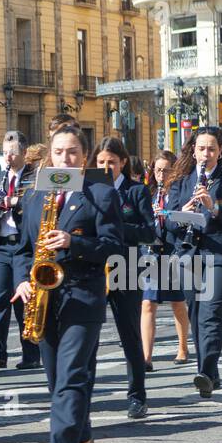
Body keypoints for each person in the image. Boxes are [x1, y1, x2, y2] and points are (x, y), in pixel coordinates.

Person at [11, 125, 125, 443]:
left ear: (84, 156)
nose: (65, 158)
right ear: (50, 156)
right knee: (56, 378)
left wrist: (72, 244)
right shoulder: (34, 196)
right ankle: (82, 432)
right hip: (44, 297)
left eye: (73, 152)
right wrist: (21, 281)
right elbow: (20, 249)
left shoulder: (101, 195)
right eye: (59, 152)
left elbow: (114, 247)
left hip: (83, 294)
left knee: (72, 374)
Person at [163, 125, 222, 398]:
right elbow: (169, 223)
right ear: (193, 150)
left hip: (220, 256)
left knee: (211, 314)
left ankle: (205, 371)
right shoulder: (181, 180)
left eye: (212, 148)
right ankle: (211, 372)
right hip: (190, 256)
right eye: (201, 148)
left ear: (220, 151)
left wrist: (214, 208)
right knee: (196, 316)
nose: (206, 153)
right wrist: (180, 213)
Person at [92, 136, 151, 420]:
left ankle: (137, 396)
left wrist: (116, 229)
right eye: (101, 162)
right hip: (94, 266)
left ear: (123, 163)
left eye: (112, 162)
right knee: (88, 334)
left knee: (129, 333)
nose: (106, 167)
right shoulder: (88, 190)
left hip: (125, 266)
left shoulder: (136, 191)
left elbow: (150, 232)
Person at [0, 132, 41, 371]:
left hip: (22, 244)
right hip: (0, 242)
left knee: (23, 299)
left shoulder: (34, 176)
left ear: (24, 153)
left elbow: (36, 202)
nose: (8, 156)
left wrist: (14, 202)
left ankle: (31, 354)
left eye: (13, 152)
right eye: (5, 152)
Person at [140, 150, 190, 369]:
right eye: (157, 170)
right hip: (151, 252)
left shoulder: (179, 193)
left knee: (177, 303)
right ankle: (146, 357)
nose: (161, 175)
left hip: (173, 251)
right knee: (148, 303)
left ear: (174, 171)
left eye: (166, 170)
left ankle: (183, 347)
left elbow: (181, 222)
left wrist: (167, 214)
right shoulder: (147, 192)